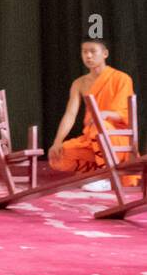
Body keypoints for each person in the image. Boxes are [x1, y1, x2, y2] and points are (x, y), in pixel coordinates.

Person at [47, 39, 137, 191]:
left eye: (93, 51)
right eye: (84, 52)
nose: (88, 56)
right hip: (92, 138)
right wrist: (57, 141)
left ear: (105, 54)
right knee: (59, 157)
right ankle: (95, 172)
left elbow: (125, 113)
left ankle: (107, 177)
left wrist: (106, 114)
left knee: (99, 126)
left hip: (116, 136)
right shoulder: (79, 83)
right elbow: (70, 114)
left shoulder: (122, 78)